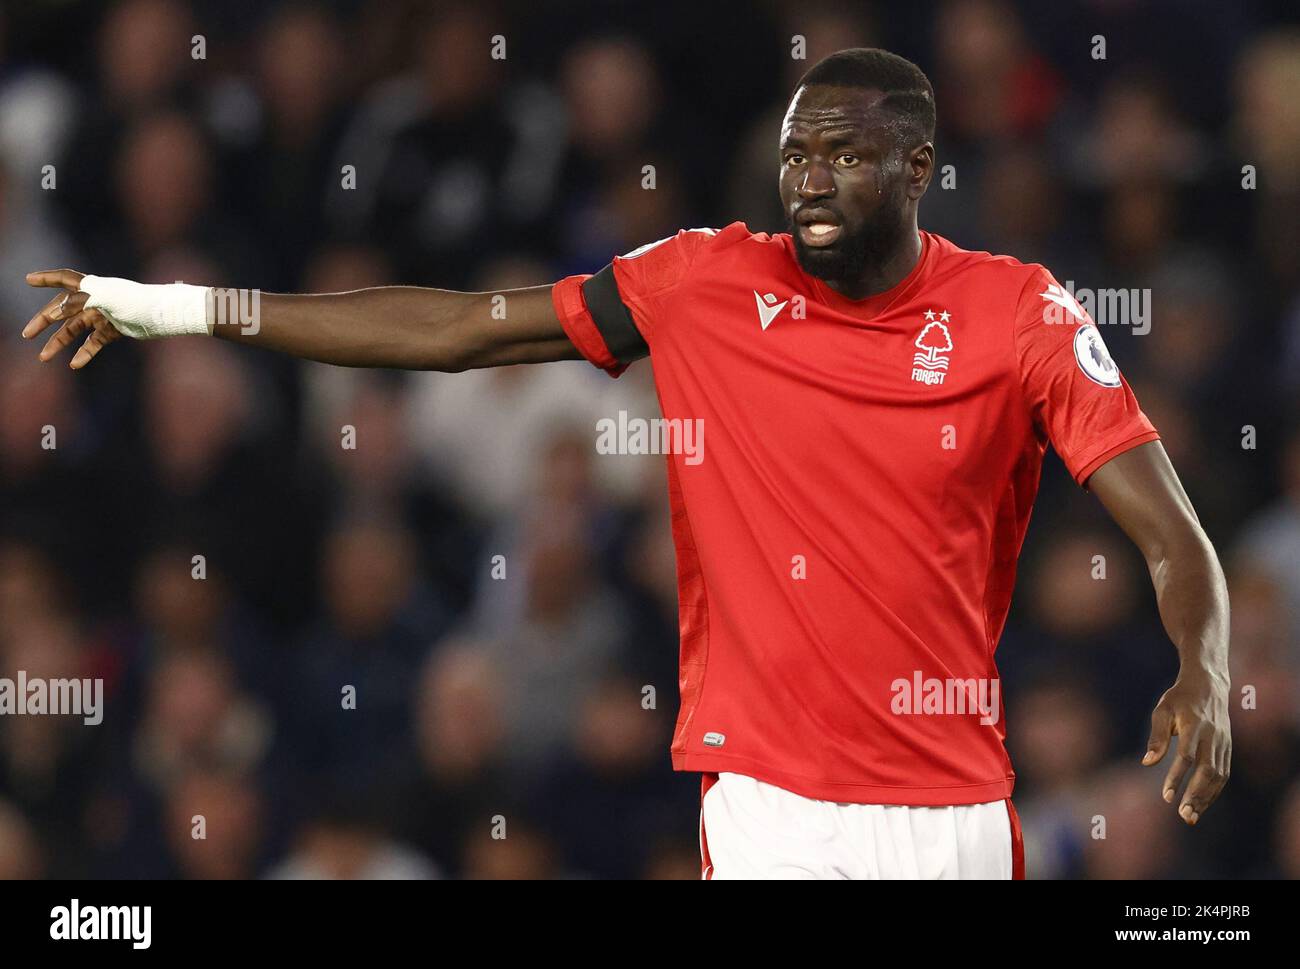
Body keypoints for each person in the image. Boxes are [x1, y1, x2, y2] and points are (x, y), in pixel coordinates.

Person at [20, 48, 1231, 880]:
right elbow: (460, 326)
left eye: (844, 156)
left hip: (956, 806)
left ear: (915, 172)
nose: (809, 177)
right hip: (775, 804)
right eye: (797, 153)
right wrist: (176, 308)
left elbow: (1169, 529)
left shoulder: (1016, 313)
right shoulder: (706, 281)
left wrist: (1202, 659)